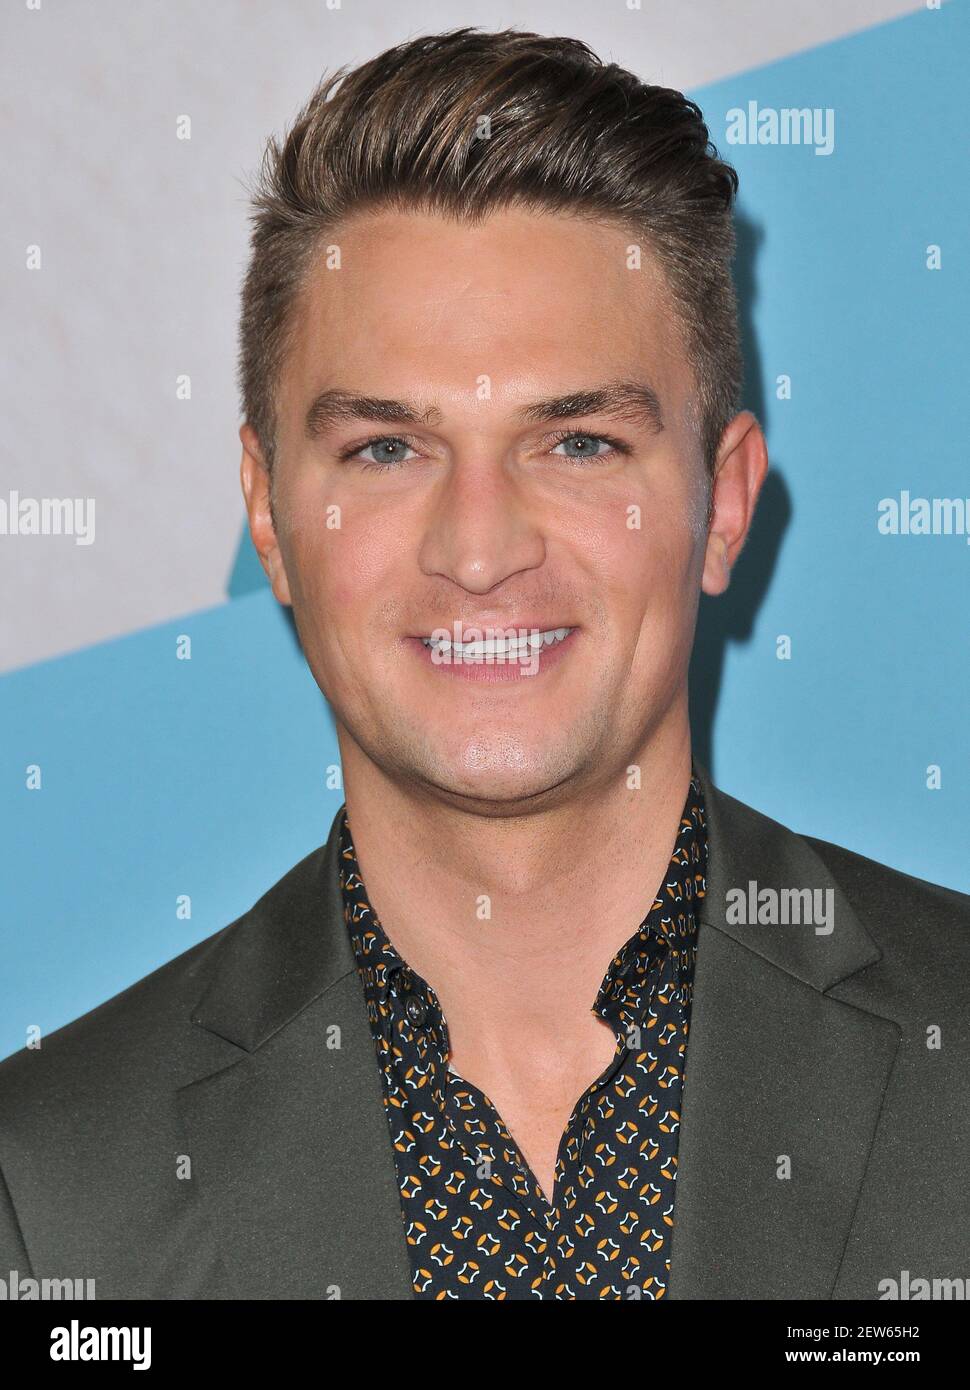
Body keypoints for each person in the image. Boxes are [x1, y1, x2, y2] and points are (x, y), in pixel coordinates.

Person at [1, 27, 967, 1302]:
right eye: (387, 450)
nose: (478, 548)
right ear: (267, 514)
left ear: (722, 505)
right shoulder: (53, 1181)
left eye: (575, 443)